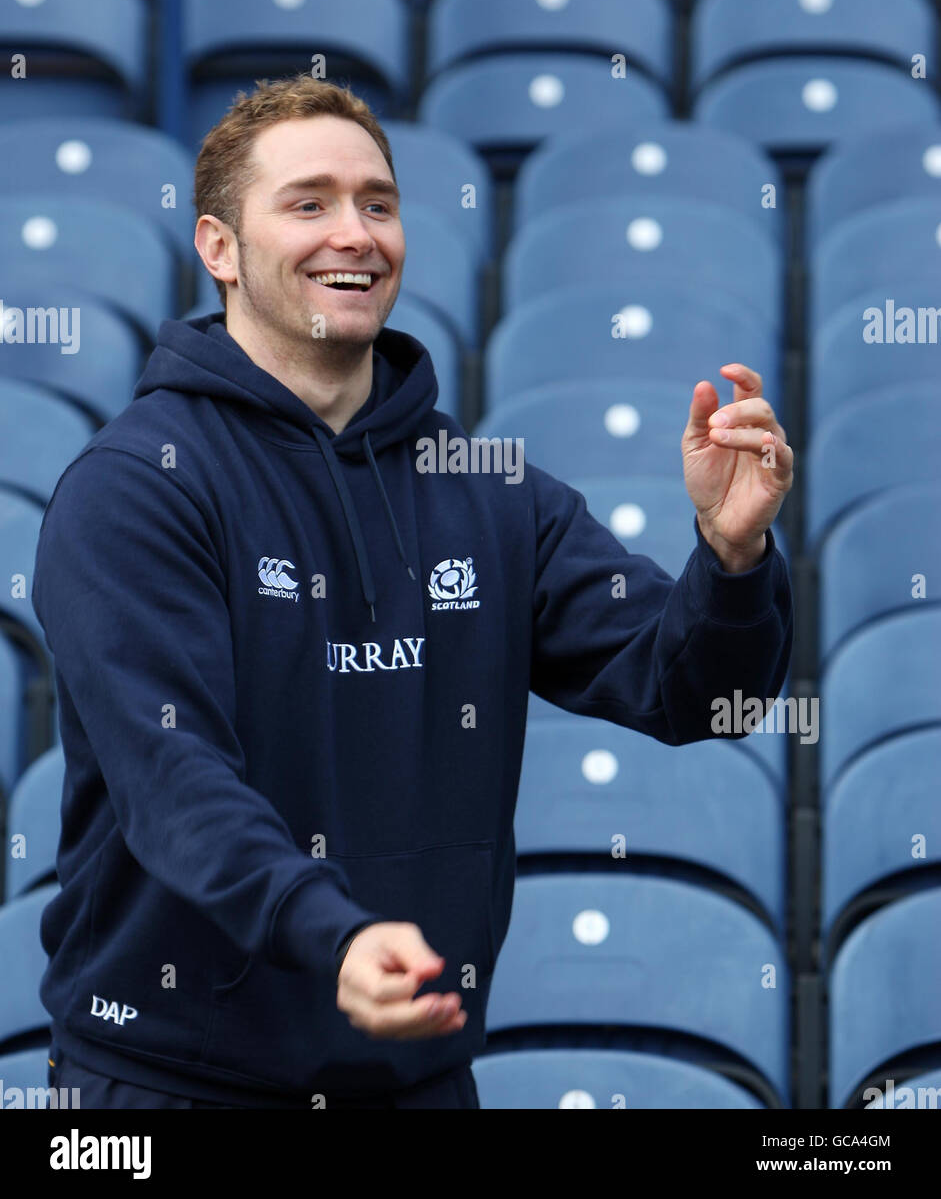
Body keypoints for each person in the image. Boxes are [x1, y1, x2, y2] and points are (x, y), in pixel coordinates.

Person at [34, 76, 794, 1110]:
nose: (353, 233)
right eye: (307, 204)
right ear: (218, 247)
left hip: (415, 1079)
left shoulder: (486, 490)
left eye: (376, 203)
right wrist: (329, 931)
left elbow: (705, 699)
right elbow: (175, 781)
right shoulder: (134, 490)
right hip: (172, 1084)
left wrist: (731, 556)